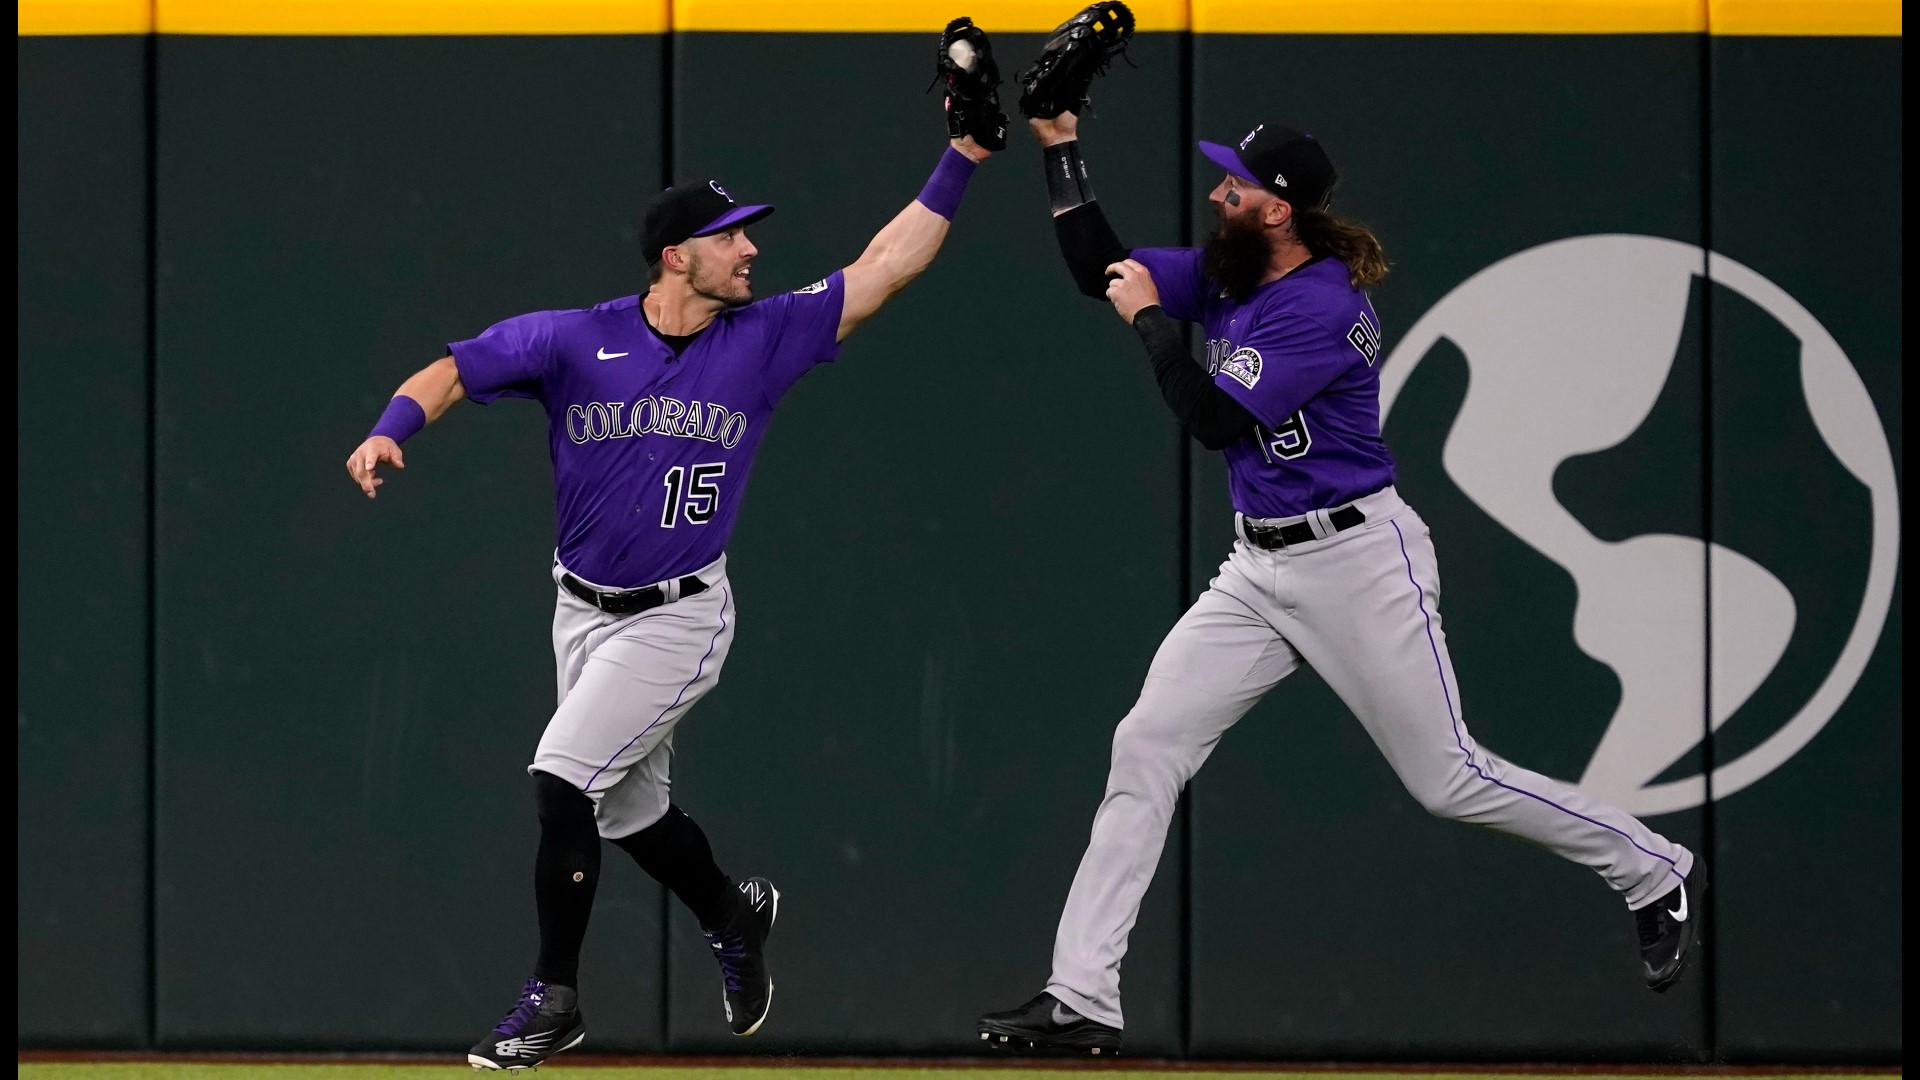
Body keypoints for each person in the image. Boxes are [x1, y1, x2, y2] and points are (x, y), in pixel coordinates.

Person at [344, 19, 1008, 1070]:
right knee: (625, 816)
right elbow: (454, 370)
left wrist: (963, 156)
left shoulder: (767, 335)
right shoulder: (575, 338)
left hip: (680, 614)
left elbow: (885, 267)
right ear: (675, 255)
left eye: (749, 233)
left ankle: (552, 996)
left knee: (561, 778)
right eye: (730, 234)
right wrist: (391, 428)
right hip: (581, 609)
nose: (750, 247)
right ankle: (734, 914)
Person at [975, 104, 1706, 1058]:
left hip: (1358, 561)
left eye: (1233, 183)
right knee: (1147, 742)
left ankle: (1651, 867)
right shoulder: (1236, 270)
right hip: (1258, 566)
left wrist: (1153, 322)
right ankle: (1081, 998)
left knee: (1448, 779)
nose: (1216, 193)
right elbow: (1100, 270)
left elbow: (1213, 419)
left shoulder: (1320, 307)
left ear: (1276, 211)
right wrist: (1060, 147)